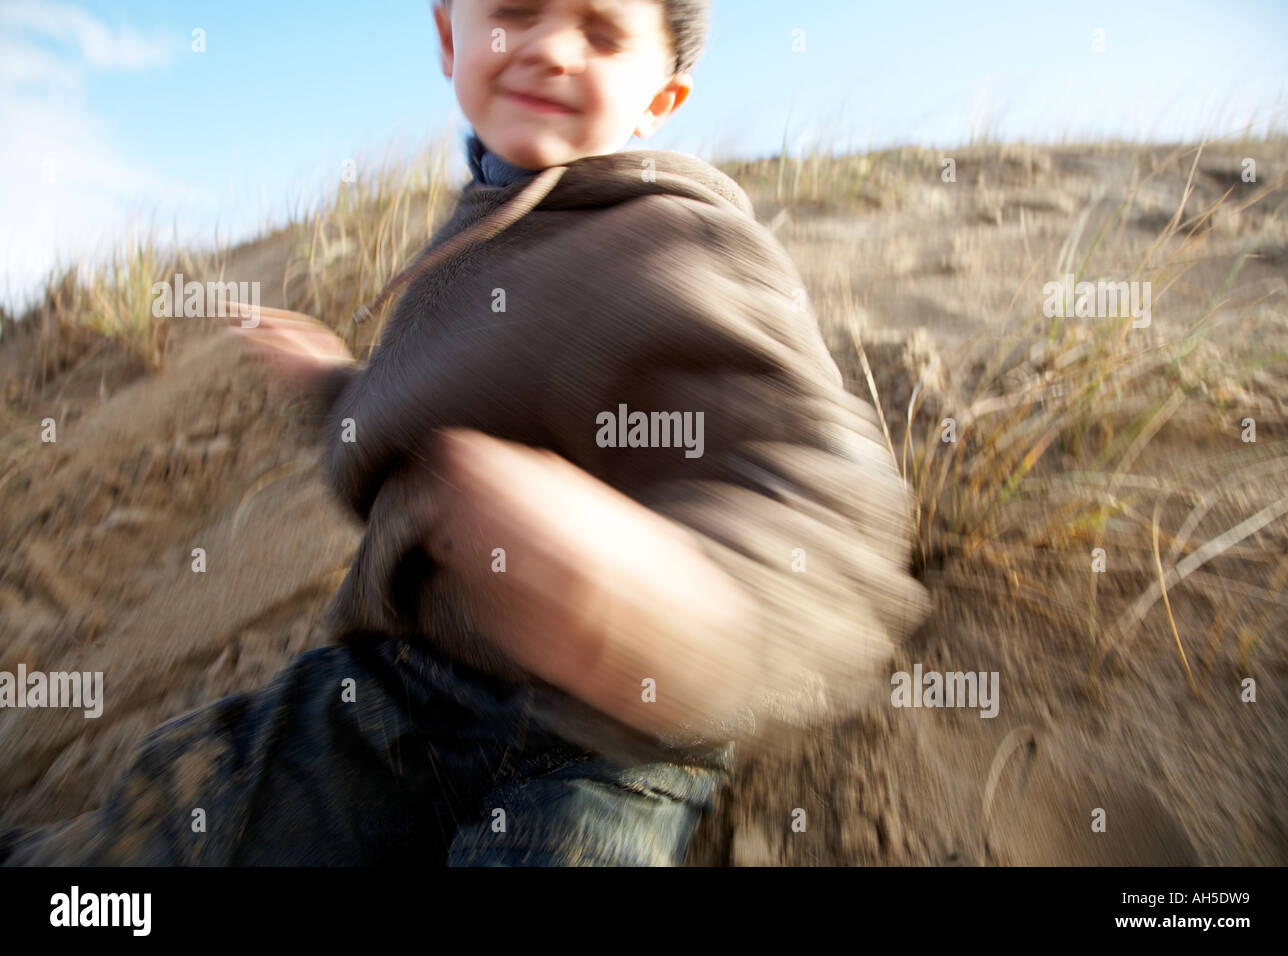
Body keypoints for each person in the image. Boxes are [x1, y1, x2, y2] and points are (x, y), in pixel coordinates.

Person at [0, 0, 929, 866]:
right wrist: (330, 381)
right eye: (516, 10)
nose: (550, 47)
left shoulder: (688, 244)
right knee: (181, 813)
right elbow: (398, 432)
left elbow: (829, 489)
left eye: (602, 31)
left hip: (610, 736)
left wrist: (682, 609)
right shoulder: (464, 240)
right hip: (405, 685)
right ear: (451, 37)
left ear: (662, 97)